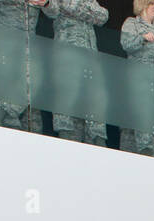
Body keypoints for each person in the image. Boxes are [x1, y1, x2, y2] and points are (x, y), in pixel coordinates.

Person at [41, 0, 110, 146]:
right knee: (67, 97)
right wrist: (86, 11)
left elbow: (103, 15)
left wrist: (74, 7)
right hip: (68, 53)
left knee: (95, 99)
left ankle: (96, 138)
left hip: (90, 56)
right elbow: (51, 10)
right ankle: (67, 136)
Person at [120, 0, 154, 155]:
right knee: (142, 130)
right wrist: (142, 37)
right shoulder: (132, 23)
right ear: (142, 5)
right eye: (151, 3)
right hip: (141, 86)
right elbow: (126, 43)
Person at [0, 0, 46, 134]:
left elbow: (54, 12)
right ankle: (5, 121)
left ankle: (7, 113)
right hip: (3, 36)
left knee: (34, 79)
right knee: (3, 85)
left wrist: (46, 3)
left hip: (28, 42)